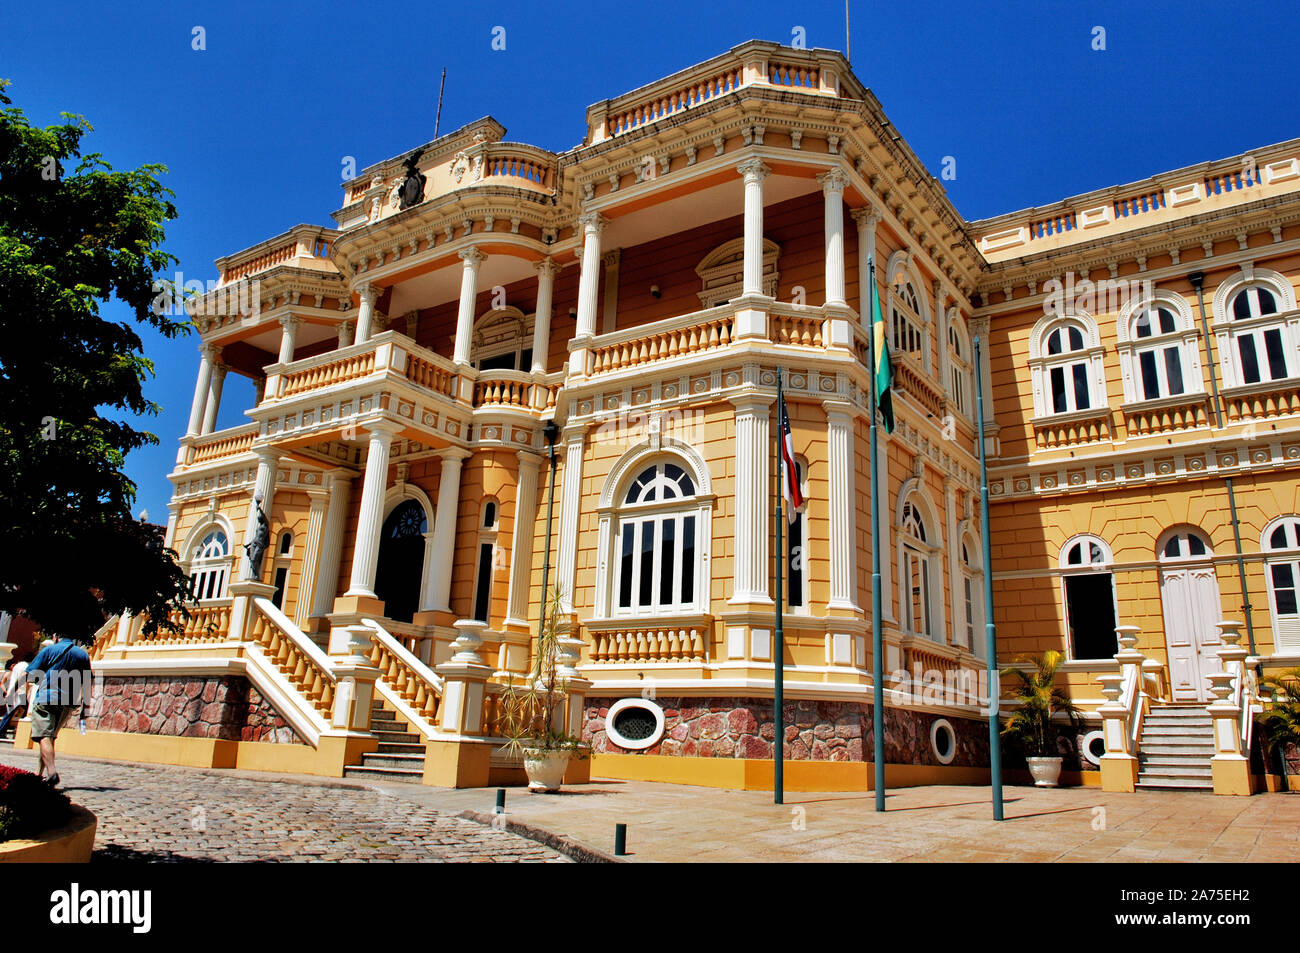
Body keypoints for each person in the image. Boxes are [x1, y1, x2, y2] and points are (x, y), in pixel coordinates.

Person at [25, 635, 92, 787]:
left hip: (46, 698)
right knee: (49, 738)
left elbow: (30, 674)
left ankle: (52, 772)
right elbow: (87, 682)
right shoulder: (82, 654)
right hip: (67, 703)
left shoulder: (50, 650)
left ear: (56, 637)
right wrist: (85, 707)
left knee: (44, 736)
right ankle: (40, 775)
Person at [0, 655, 30, 737]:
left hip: (12, 691)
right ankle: (3, 730)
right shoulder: (26, 666)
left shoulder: (17, 666)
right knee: (27, 712)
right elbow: (25, 679)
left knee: (10, 712)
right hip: (20, 692)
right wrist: (27, 690)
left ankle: (4, 730)